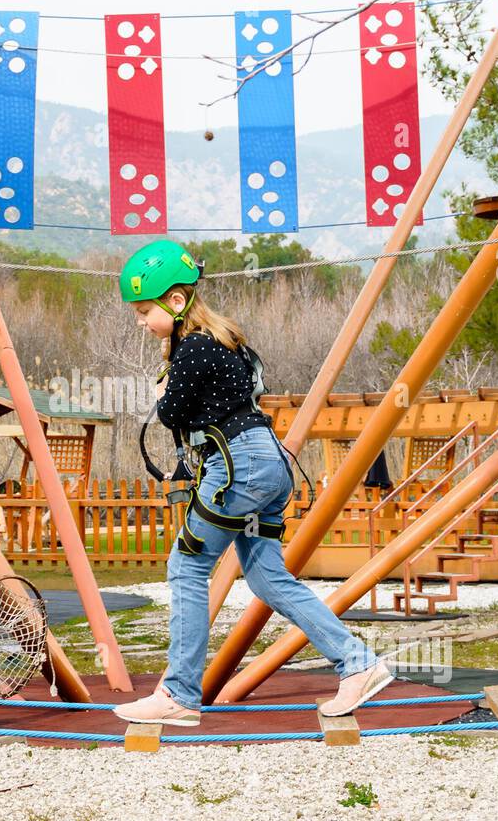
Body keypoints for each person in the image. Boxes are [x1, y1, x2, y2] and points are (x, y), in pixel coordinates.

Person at [112, 240, 392, 727]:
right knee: (266, 578)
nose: (140, 322)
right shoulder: (227, 342)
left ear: (175, 301)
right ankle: (358, 663)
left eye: (143, 312)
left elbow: (171, 413)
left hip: (237, 465)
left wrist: (163, 387)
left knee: (187, 566)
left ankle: (179, 694)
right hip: (268, 462)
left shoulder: (193, 347)